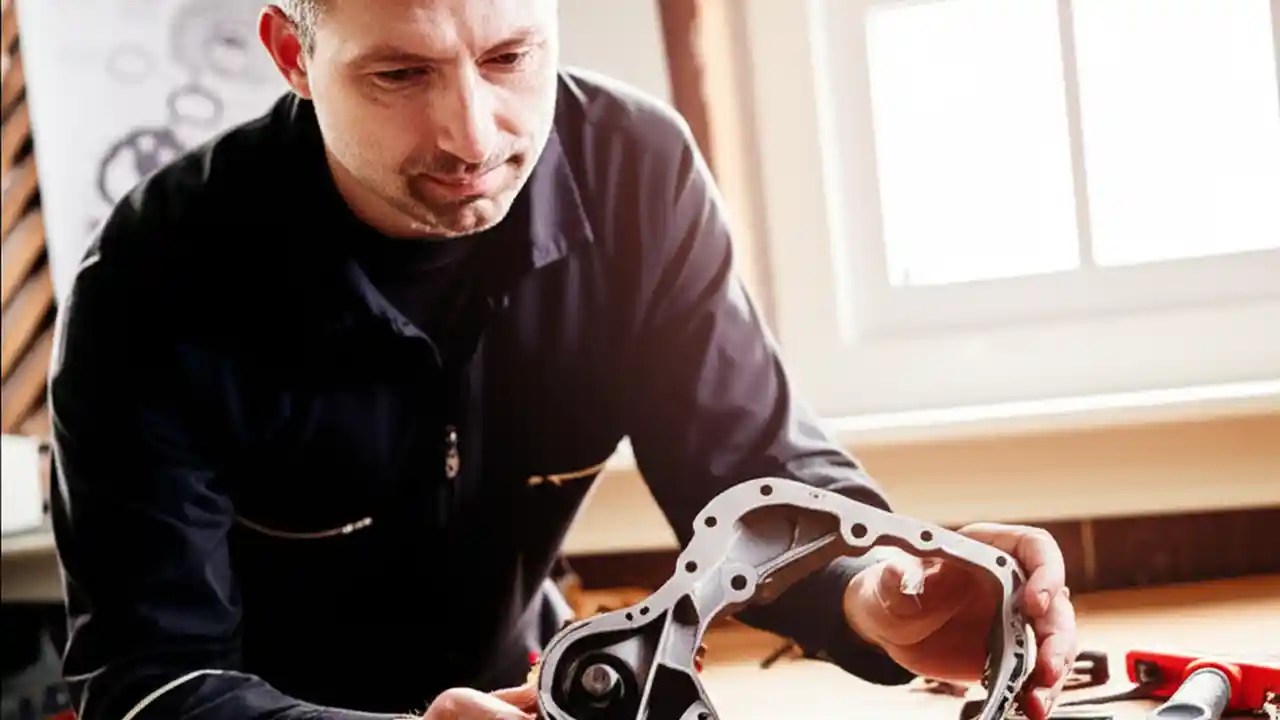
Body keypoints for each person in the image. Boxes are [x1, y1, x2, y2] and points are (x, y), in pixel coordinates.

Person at [45, 0, 1078, 718]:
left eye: (508, 57)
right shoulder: (151, 279)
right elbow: (151, 683)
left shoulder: (637, 167)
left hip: (541, 684)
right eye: (399, 73)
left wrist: (881, 592)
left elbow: (748, 473)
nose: (470, 134)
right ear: (290, 55)